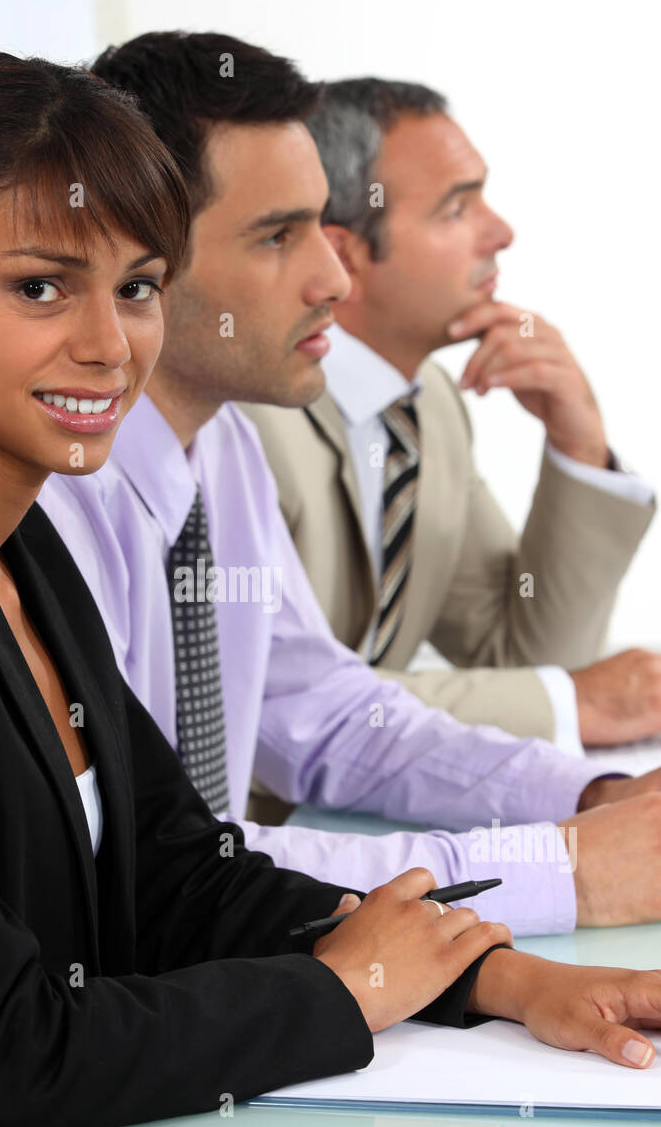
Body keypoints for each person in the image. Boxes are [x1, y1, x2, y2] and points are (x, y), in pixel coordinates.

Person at [0, 50, 514, 1127]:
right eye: (40, 287)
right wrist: (339, 990)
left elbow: (182, 873)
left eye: (135, 287)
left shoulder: (19, 542)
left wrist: (485, 974)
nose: (107, 342)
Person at [38, 31, 661, 938]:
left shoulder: (222, 448)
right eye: (278, 236)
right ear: (139, 259)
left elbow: (329, 717)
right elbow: (157, 868)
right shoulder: (51, 501)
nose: (335, 276)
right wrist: (560, 869)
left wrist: (591, 795)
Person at [244, 76, 658, 752]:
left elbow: (520, 659)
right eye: (456, 209)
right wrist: (568, 701)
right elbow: (272, 701)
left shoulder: (426, 404)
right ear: (344, 256)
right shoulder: (246, 416)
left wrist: (579, 444)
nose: (502, 232)